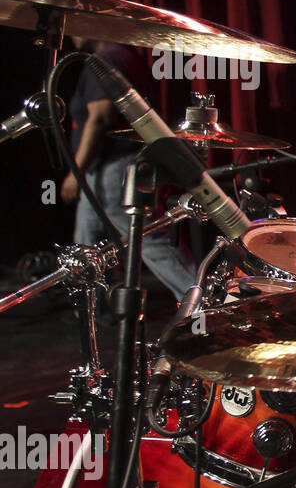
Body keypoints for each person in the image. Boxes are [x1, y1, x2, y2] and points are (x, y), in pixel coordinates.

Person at [61, 41, 196, 301]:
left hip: (114, 168)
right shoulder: (124, 56)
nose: (71, 34)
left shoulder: (105, 60)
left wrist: (75, 172)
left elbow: (100, 116)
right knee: (87, 245)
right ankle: (95, 309)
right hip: (107, 169)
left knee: (150, 241)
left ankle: (203, 302)